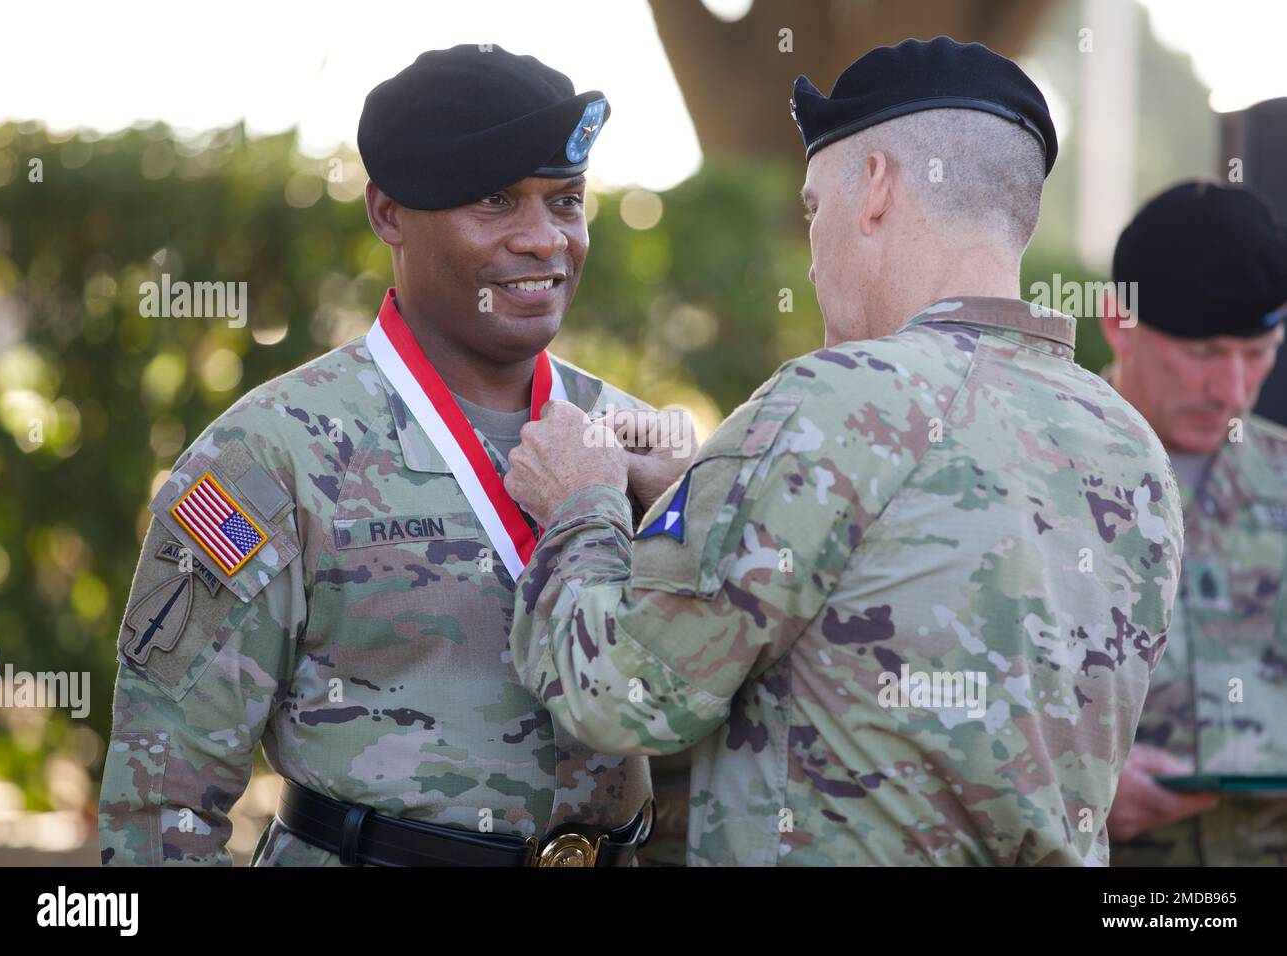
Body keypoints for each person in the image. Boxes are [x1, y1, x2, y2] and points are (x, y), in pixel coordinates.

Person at [502, 37, 1184, 866]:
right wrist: (706, 493)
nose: (813, 252)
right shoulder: (1131, 447)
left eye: (814, 209)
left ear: (876, 189)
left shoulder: (834, 401)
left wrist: (582, 500)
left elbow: (622, 697)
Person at [98, 45, 654, 867]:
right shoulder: (267, 456)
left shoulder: (634, 441)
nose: (545, 240)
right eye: (496, 201)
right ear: (389, 213)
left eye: (565, 201)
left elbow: (697, 751)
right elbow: (161, 805)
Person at [1102, 181, 1287, 866]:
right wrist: (1069, 787)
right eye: (1206, 354)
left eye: (1260, 352)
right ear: (1118, 321)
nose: (1233, 390)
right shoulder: (1028, 475)